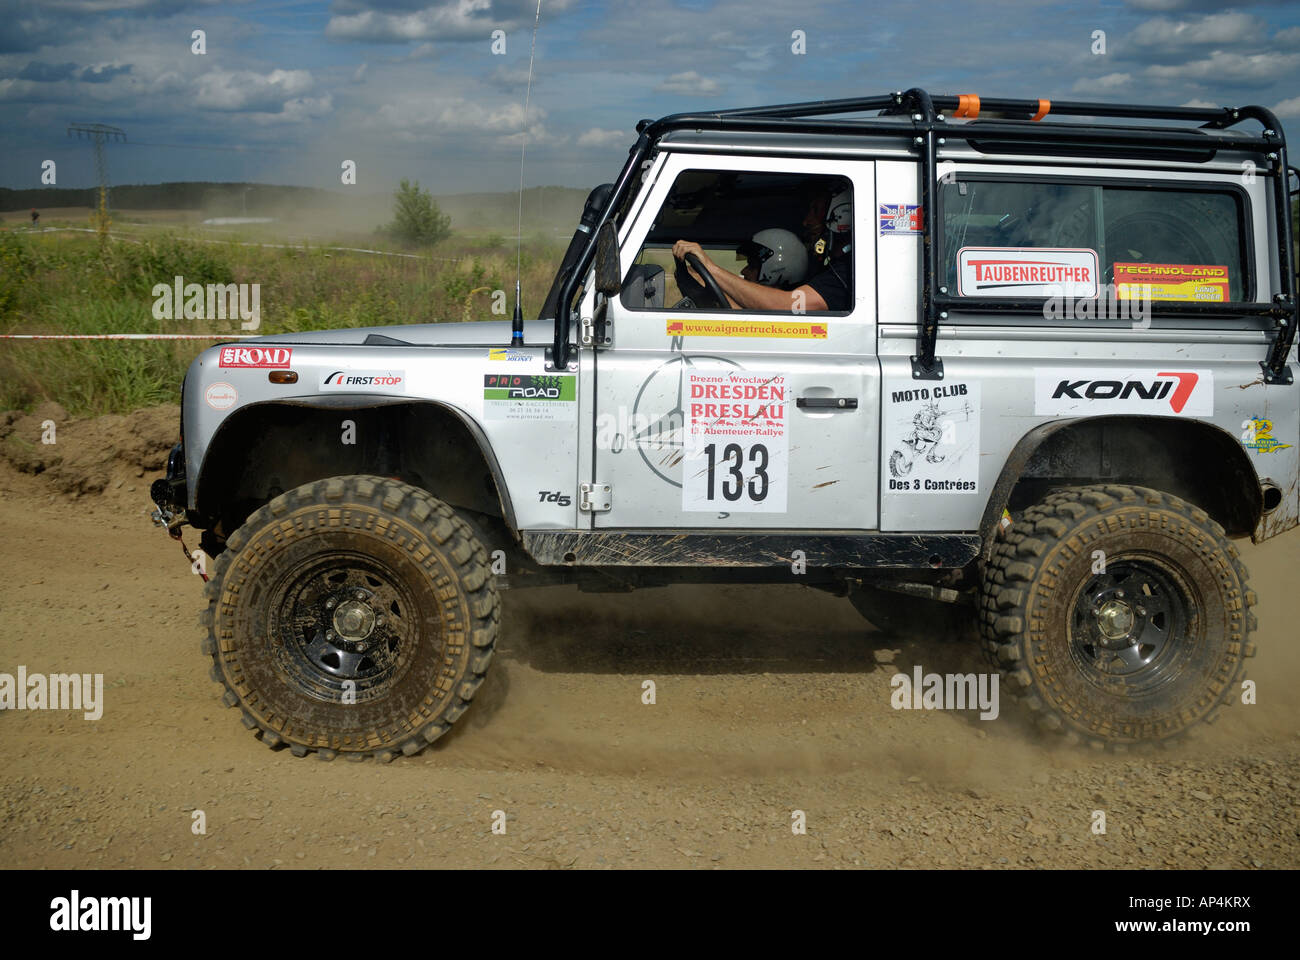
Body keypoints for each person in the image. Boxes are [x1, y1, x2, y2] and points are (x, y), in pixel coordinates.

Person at [671, 180, 852, 312]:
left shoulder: (848, 272)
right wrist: (707, 290)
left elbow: (789, 306)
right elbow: (752, 316)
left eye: (815, 210)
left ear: (841, 212)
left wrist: (712, 269)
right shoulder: (831, 271)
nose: (806, 222)